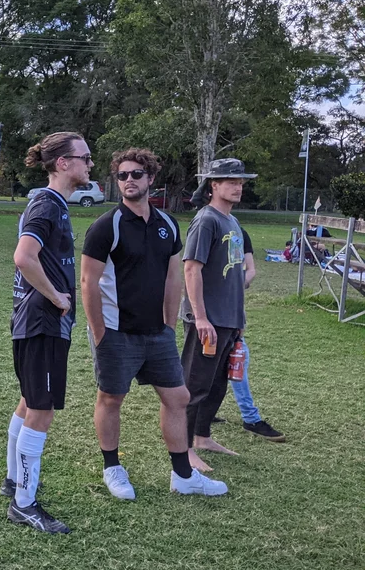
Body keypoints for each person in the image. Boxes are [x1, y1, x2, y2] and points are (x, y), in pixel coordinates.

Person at [81, 148, 227, 499]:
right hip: (116, 332)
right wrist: (100, 332)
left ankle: (183, 475)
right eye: (122, 176)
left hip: (157, 333)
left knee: (177, 397)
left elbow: (173, 277)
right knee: (111, 398)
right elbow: (88, 282)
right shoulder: (106, 226)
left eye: (136, 174)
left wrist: (167, 325)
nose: (129, 181)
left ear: (150, 178)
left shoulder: (166, 224)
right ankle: (112, 468)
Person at [1, 131, 91, 534]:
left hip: (34, 323)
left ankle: (12, 481)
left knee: (29, 401)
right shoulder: (48, 205)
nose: (90, 164)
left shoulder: (52, 204)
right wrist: (57, 296)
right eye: (85, 158)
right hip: (42, 324)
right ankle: (24, 503)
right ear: (63, 163)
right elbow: (24, 256)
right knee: (42, 410)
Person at [180, 158, 256, 472]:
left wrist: (237, 320)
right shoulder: (206, 220)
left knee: (217, 385)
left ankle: (202, 436)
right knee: (195, 386)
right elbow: (191, 269)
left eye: (241, 181)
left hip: (228, 320)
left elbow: (237, 273)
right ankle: (182, 450)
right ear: (214, 185)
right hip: (207, 320)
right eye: (231, 181)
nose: (238, 186)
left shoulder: (233, 223)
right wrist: (200, 318)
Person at [218, 229, 285, 442]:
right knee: (210, 366)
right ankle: (249, 418)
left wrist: (236, 290)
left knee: (237, 358)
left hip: (231, 310)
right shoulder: (206, 227)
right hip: (208, 311)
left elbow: (250, 269)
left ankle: (205, 412)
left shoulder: (237, 231)